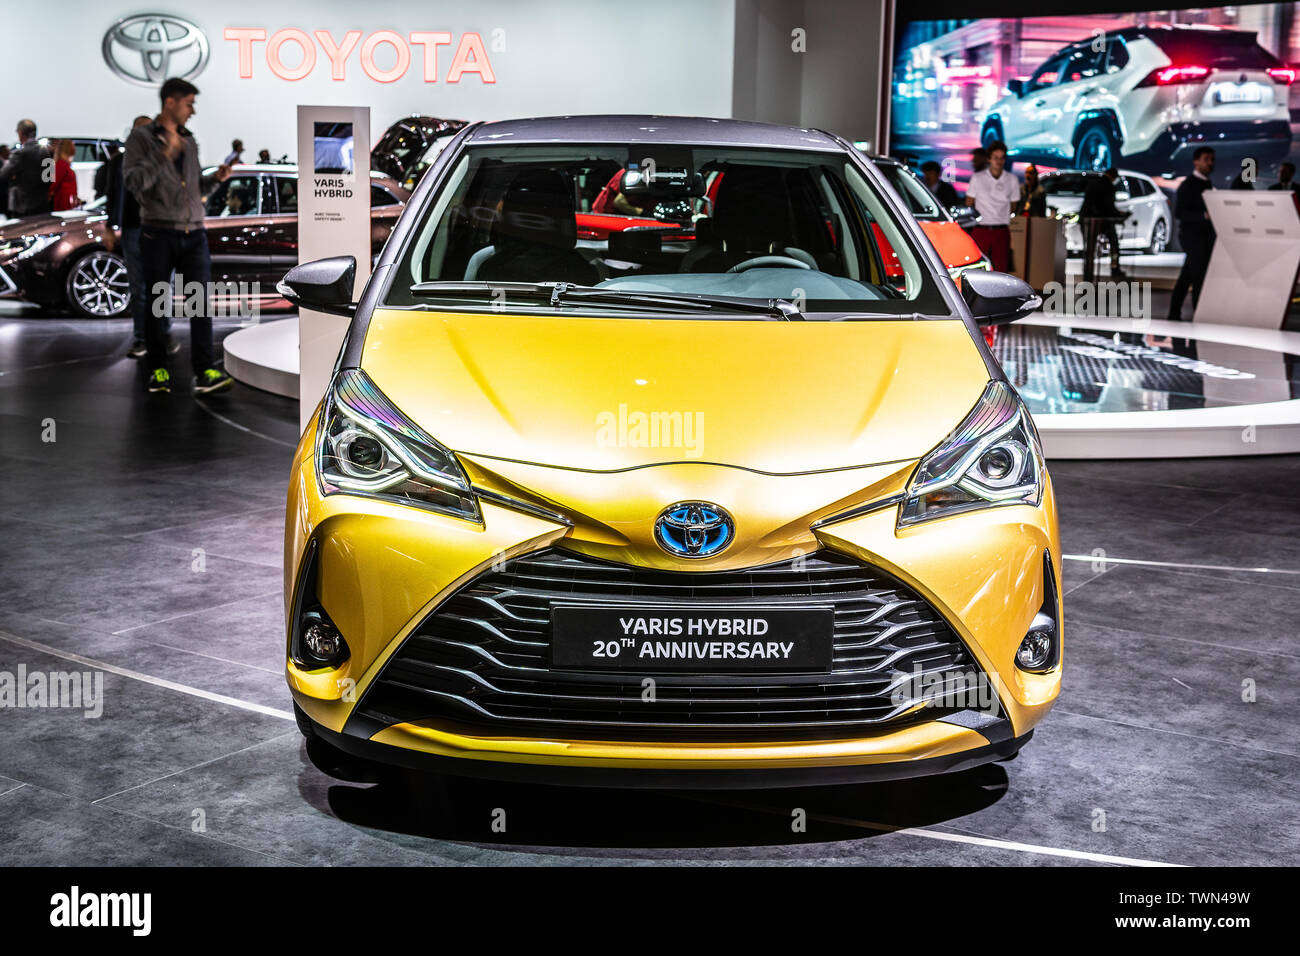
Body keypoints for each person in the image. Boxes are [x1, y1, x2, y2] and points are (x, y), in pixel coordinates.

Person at [123, 77, 234, 395]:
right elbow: (134, 183)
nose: (192, 111)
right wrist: (163, 154)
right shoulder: (141, 139)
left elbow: (193, 190)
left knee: (200, 305)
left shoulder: (190, 140)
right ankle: (158, 369)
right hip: (158, 233)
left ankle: (204, 371)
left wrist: (215, 181)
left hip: (193, 233)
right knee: (158, 303)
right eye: (189, 103)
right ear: (170, 103)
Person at [106, 115, 173, 359]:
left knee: (162, 287)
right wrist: (109, 226)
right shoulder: (119, 161)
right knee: (139, 288)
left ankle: (163, 334)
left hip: (161, 229)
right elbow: (112, 195)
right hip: (133, 230)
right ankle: (141, 338)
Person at [1168, 147, 1216, 321]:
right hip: (1192, 236)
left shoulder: (1207, 183)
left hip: (1203, 237)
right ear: (1196, 162)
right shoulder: (1188, 185)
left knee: (1187, 276)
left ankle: (1174, 313)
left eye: (1211, 159)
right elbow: (1180, 213)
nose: (1210, 163)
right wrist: (1204, 215)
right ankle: (1199, 316)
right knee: (1198, 277)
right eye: (1206, 159)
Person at [965, 140, 1019, 272]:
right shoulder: (977, 178)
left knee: (1001, 269)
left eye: (1002, 158)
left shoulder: (1012, 179)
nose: (999, 161)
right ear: (989, 159)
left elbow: (1014, 206)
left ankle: (1000, 293)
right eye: (995, 158)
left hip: (1001, 230)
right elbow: (969, 203)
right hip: (981, 229)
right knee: (976, 267)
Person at [1079, 167, 1125, 281]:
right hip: (1103, 221)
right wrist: (1119, 215)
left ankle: (1087, 273)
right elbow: (1108, 206)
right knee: (1114, 245)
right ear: (1113, 176)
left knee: (1089, 249)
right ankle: (1115, 269)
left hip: (1087, 220)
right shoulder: (1109, 186)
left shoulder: (1093, 183)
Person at [0, 119, 51, 218]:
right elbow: (50, 178)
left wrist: (14, 177)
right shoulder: (47, 152)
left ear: (20, 133)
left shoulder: (20, 153)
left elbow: (3, 175)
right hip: (42, 203)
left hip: (22, 205)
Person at [47, 139, 80, 211]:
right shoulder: (62, 164)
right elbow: (53, 185)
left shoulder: (62, 164)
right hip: (63, 203)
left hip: (66, 202)